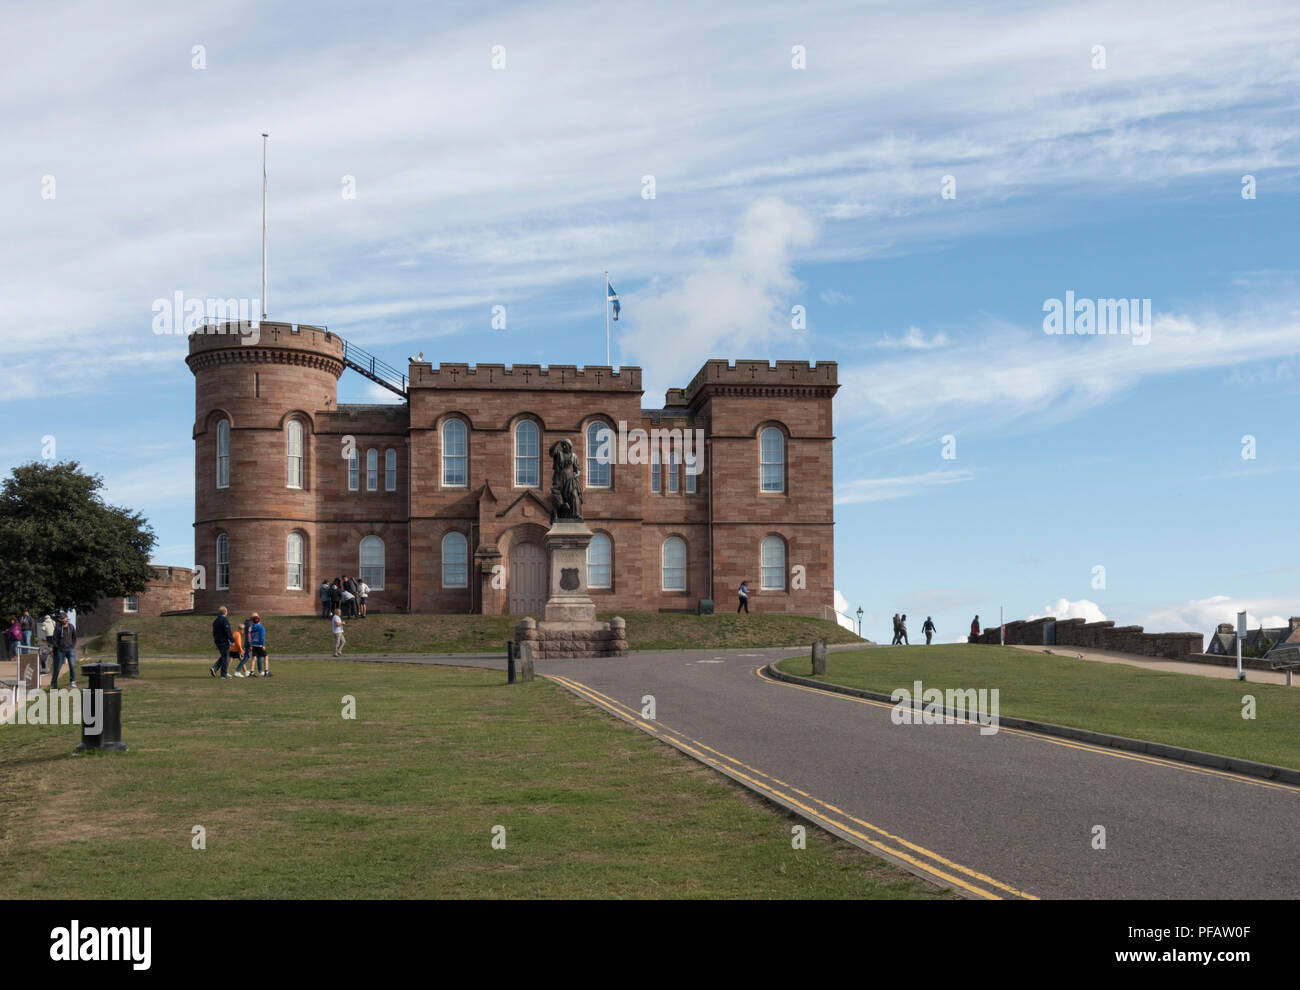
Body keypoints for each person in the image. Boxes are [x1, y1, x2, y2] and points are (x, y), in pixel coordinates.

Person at [50, 613, 78, 688]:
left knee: (72, 665)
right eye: (61, 619)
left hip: (70, 649)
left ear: (67, 618)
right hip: (61, 650)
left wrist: (72, 646)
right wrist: (57, 646)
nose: (62, 620)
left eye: (64, 618)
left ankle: (72, 681)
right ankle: (53, 684)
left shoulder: (71, 627)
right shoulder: (58, 628)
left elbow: (74, 638)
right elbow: (54, 639)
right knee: (58, 667)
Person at [209, 606, 234, 678]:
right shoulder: (224, 620)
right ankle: (224, 674)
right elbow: (227, 630)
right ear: (225, 612)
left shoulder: (215, 621)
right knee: (226, 657)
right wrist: (232, 640)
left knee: (223, 656)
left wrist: (215, 642)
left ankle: (214, 668)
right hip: (224, 641)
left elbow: (214, 633)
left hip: (217, 641)